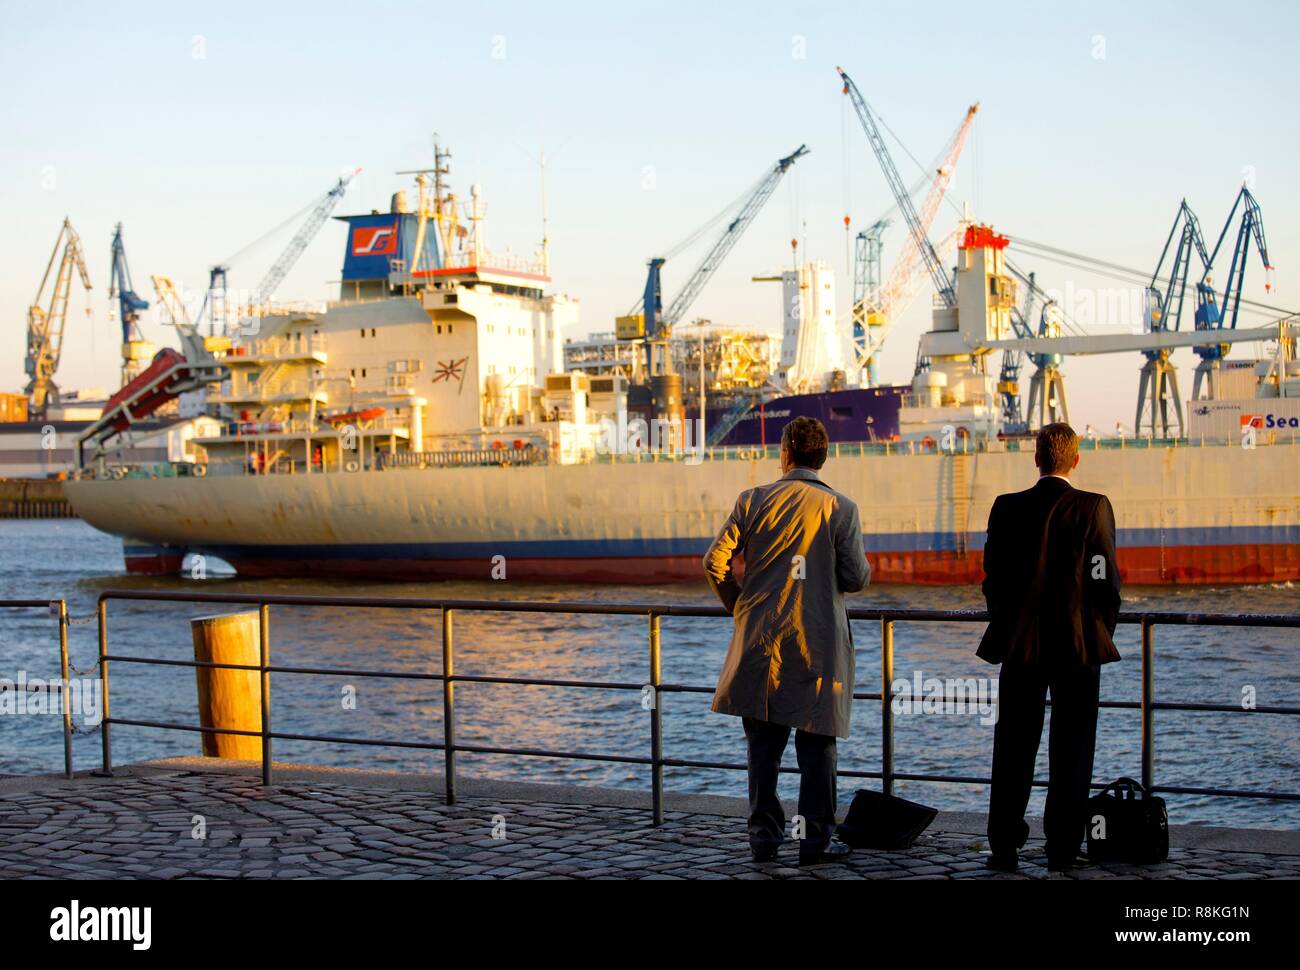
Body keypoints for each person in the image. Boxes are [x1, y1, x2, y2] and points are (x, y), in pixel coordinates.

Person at [704, 416, 871, 865]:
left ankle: (764, 839)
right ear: (823, 456)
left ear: (785, 454)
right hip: (817, 644)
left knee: (763, 746)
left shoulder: (752, 500)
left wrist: (739, 607)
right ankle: (816, 842)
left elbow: (714, 561)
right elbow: (855, 578)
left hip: (761, 640)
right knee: (817, 745)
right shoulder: (841, 508)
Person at [978, 422, 1122, 872]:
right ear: (1075, 460)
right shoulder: (1092, 508)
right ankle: (1062, 845)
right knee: (1073, 747)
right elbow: (1105, 582)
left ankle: (1004, 844)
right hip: (1077, 648)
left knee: (1014, 746)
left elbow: (992, 579)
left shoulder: (1006, 508)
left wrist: (1007, 623)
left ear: (1036, 459)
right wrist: (1099, 630)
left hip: (1020, 647)